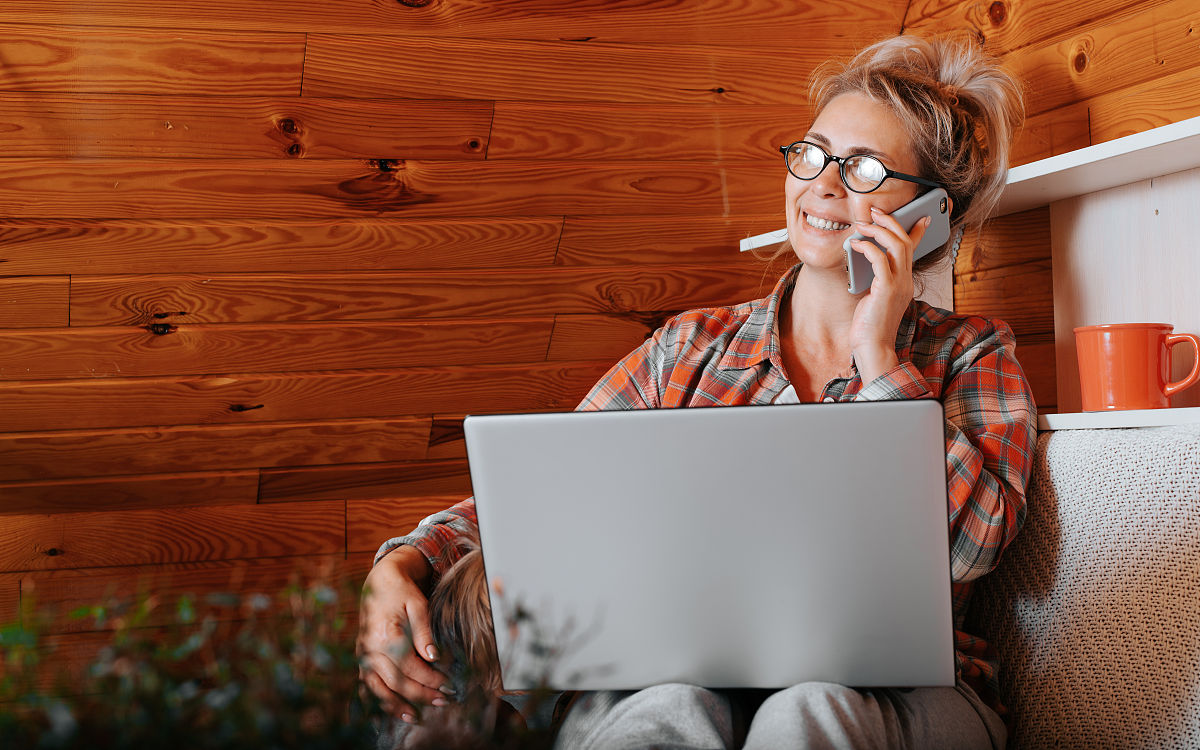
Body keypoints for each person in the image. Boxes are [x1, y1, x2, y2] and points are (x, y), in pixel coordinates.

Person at [358, 33, 1036, 749]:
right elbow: (548, 496)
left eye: (864, 168)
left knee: (806, 708)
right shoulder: (691, 347)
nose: (823, 184)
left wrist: (878, 356)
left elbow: (970, 547)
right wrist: (402, 561)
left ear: (930, 216)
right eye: (813, 153)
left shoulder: (972, 353)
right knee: (666, 711)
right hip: (685, 675)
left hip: (898, 693)